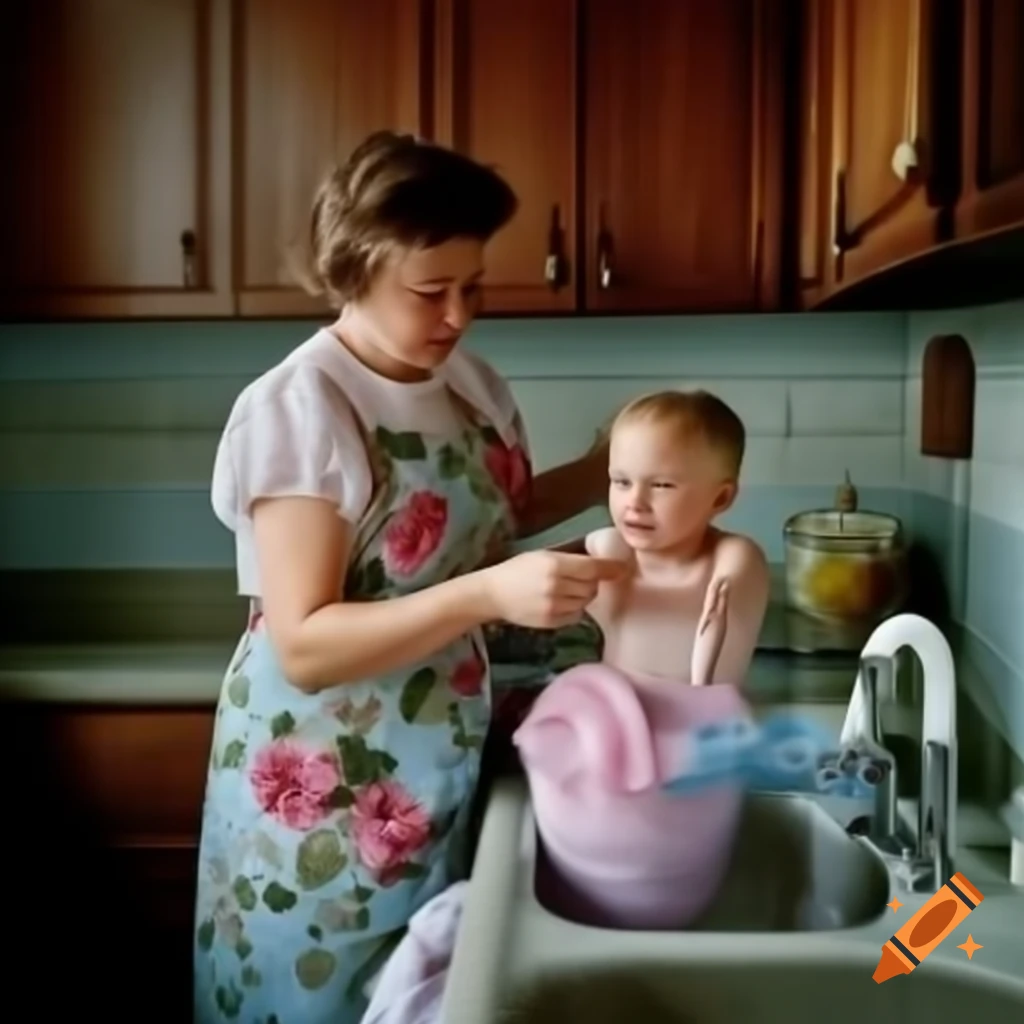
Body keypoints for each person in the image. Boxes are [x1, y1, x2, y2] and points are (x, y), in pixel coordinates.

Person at [192, 130, 620, 1024]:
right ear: (353, 271)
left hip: (436, 764)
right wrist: (491, 595)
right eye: (431, 291)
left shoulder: (468, 381)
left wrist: (601, 478)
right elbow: (305, 642)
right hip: (320, 788)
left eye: (474, 287)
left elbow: (467, 526)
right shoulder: (303, 407)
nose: (459, 314)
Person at [584, 389, 770, 686]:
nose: (635, 501)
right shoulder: (610, 548)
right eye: (621, 481)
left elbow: (716, 617)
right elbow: (543, 566)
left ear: (720, 498)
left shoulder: (731, 555)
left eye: (661, 485)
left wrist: (698, 694)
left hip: (701, 715)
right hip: (615, 710)